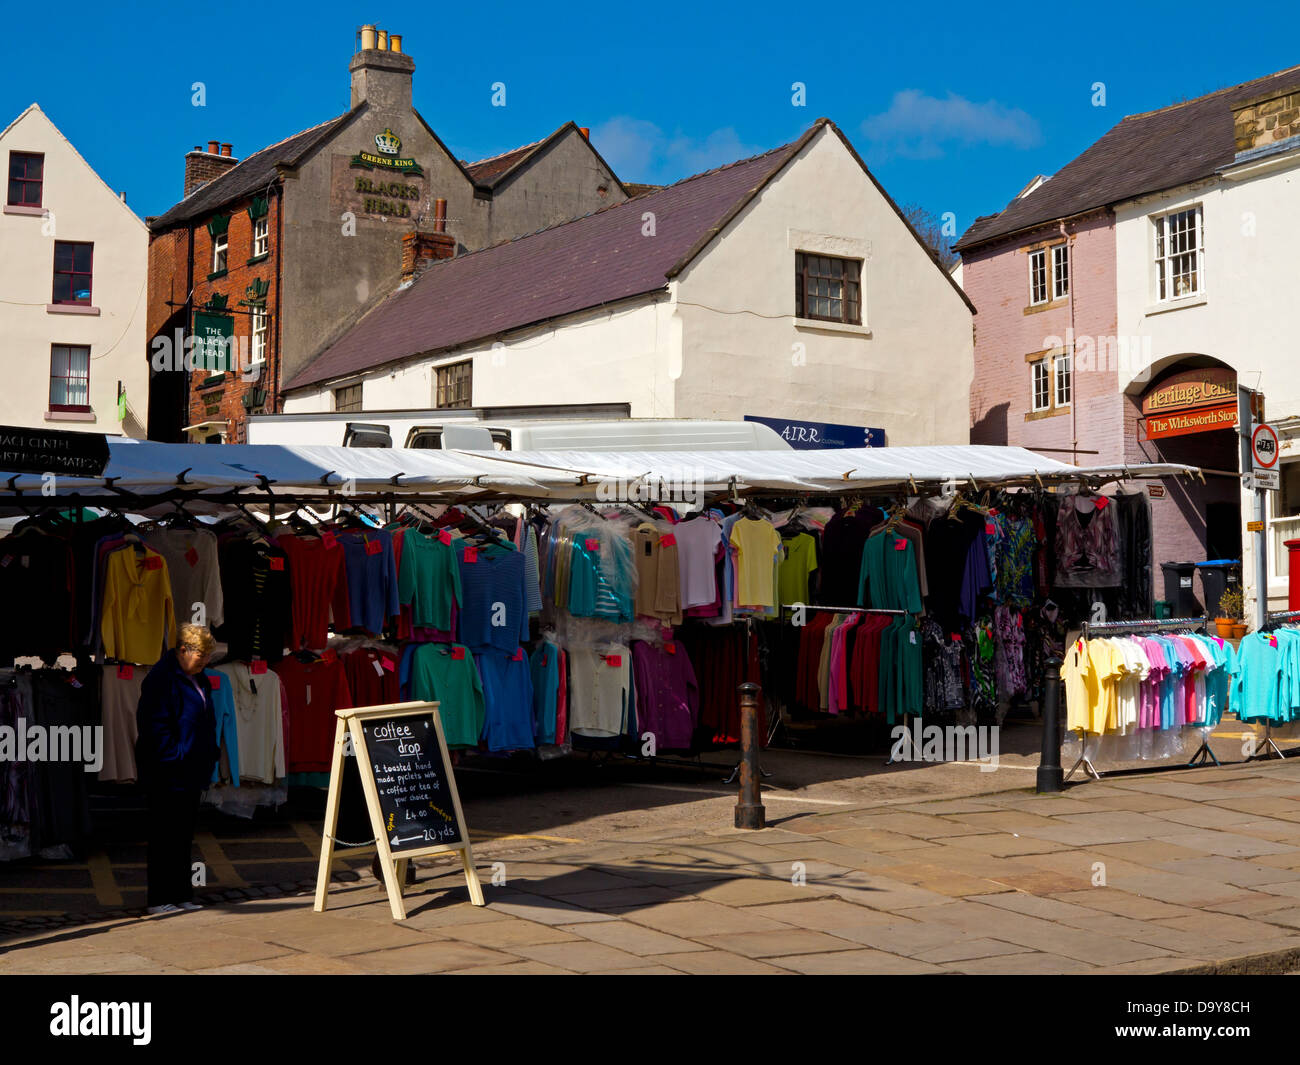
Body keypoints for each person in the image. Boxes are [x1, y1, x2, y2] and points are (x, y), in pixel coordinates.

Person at [135, 624, 220, 915]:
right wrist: (176, 758)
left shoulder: (200, 679)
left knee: (183, 836)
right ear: (183, 650)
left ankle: (181, 894)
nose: (206, 661)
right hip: (167, 773)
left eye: (209, 657)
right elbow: (154, 728)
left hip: (191, 772)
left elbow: (205, 720)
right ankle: (159, 899)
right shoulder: (161, 679)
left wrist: (209, 755)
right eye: (202, 656)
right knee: (164, 837)